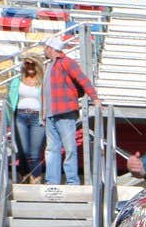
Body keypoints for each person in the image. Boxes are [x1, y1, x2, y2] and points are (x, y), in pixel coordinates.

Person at [41, 34, 99, 186]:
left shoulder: (67, 62)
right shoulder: (49, 66)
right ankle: (52, 182)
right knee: (52, 149)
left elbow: (83, 80)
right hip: (51, 113)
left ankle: (72, 181)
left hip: (64, 112)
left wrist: (95, 98)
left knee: (69, 148)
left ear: (51, 48)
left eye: (46, 48)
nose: (44, 50)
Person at [6, 55, 46, 182]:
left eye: (32, 64)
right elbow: (10, 100)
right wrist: (8, 119)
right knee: (23, 150)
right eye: (27, 64)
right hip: (20, 117)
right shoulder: (17, 81)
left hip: (37, 117)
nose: (29, 66)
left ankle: (36, 178)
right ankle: (25, 176)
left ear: (37, 65)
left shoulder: (44, 82)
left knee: (34, 153)